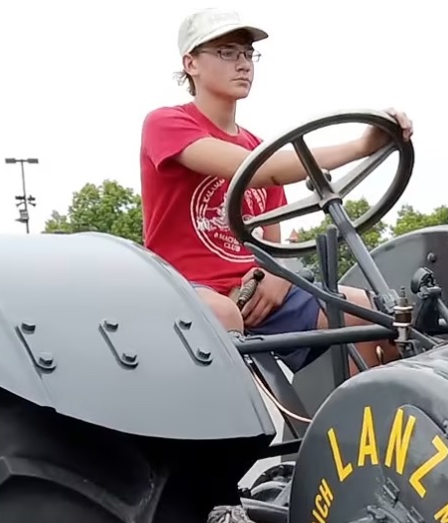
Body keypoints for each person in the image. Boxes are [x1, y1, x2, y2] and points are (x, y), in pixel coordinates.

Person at [139, 8, 412, 376]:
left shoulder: (258, 145)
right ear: (191, 63)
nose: (243, 64)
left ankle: (349, 426)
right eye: (227, 52)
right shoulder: (167, 124)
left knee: (367, 313)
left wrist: (279, 279)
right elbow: (259, 172)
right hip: (183, 288)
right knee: (222, 314)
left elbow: (272, 245)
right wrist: (362, 146)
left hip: (253, 292)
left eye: (248, 54)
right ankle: (242, 428)